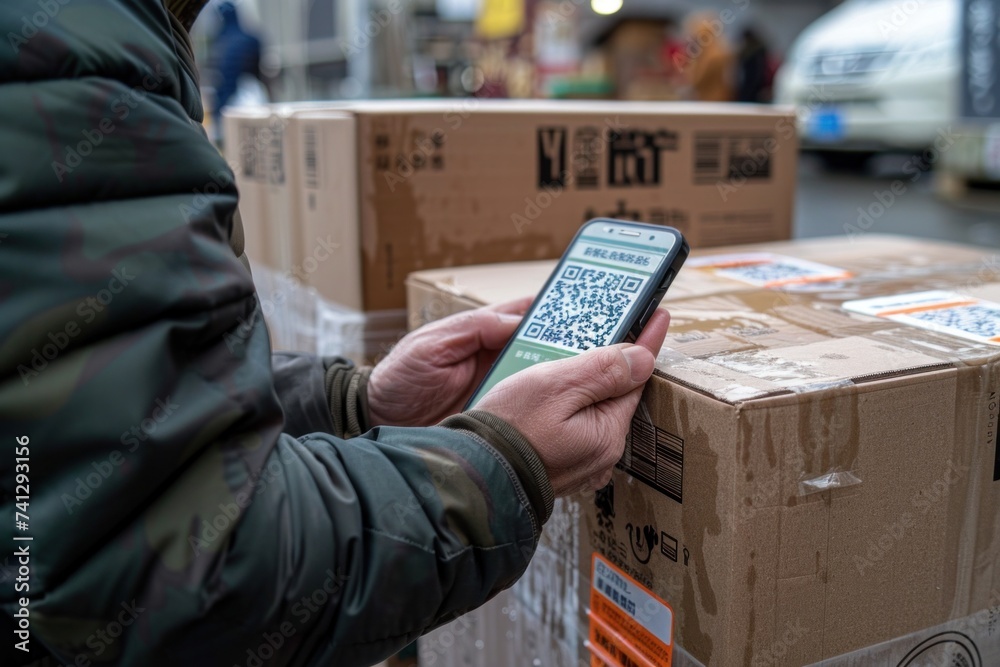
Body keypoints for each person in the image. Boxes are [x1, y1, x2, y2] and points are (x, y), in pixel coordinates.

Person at [0, 2, 671, 666]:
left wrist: (357, 400)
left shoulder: (105, 40)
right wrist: (504, 462)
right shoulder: (73, 63)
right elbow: (187, 580)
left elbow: (120, 416)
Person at [206, 1, 268, 132]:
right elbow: (260, 72)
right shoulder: (251, 38)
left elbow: (226, 79)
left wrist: (218, 109)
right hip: (254, 96)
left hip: (238, 102)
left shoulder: (222, 43)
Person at [683, 12, 735, 102]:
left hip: (714, 100)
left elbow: (697, 81)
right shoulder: (709, 53)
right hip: (708, 99)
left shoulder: (714, 55)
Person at [737, 27, 771, 103]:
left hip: (753, 89)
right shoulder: (757, 51)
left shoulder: (753, 54)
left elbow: (756, 74)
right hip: (755, 89)